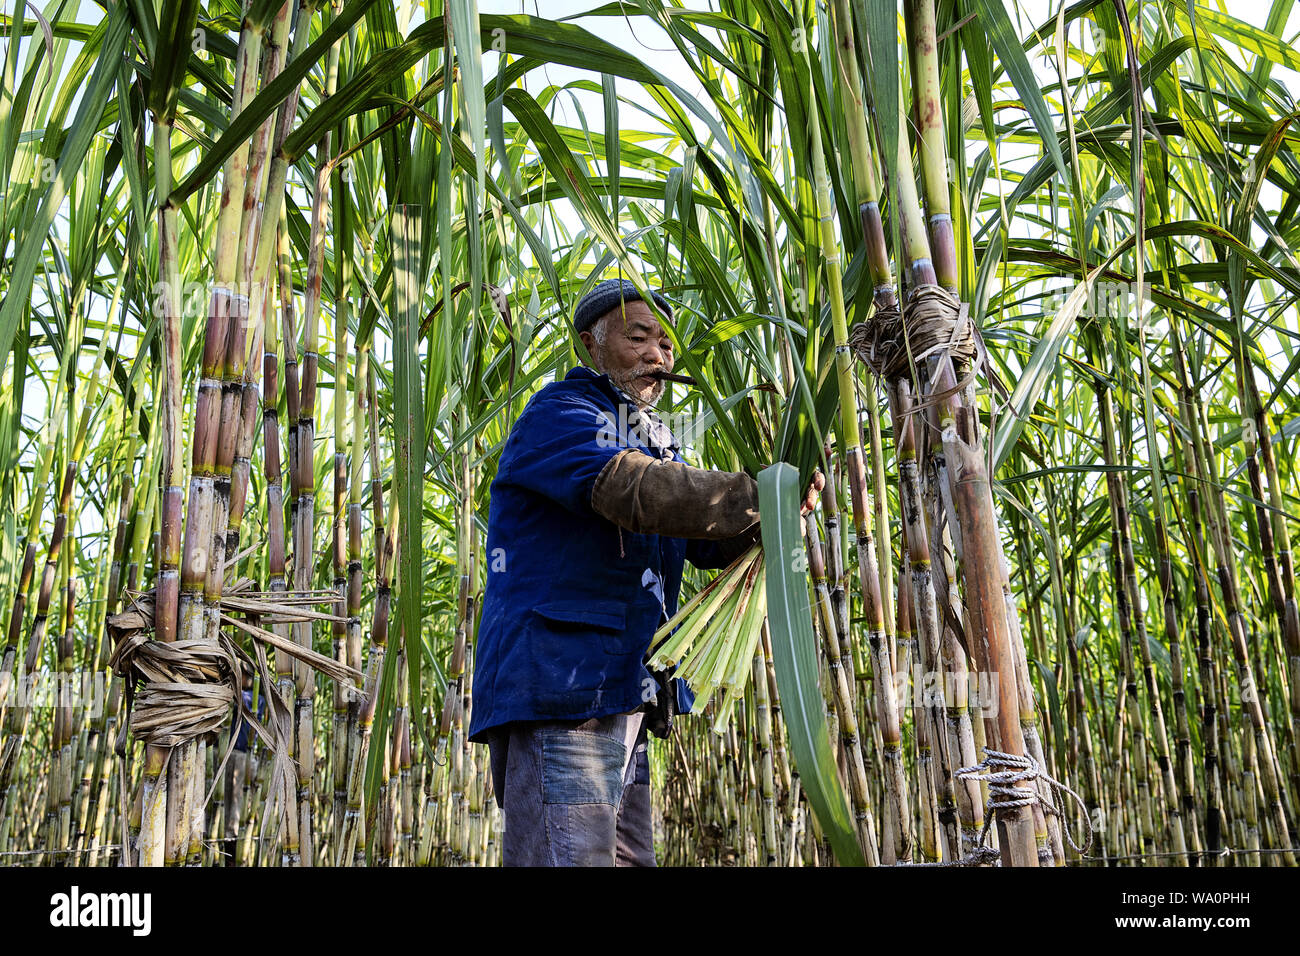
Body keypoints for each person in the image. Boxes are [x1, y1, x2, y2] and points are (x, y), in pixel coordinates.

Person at [468, 277, 820, 866]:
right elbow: (635, 492)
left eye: (667, 344)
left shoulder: (659, 445)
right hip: (566, 688)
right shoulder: (561, 413)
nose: (658, 354)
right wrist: (754, 494)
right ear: (590, 344)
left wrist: (778, 516)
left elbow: (699, 540)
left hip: (623, 690)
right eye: (639, 337)